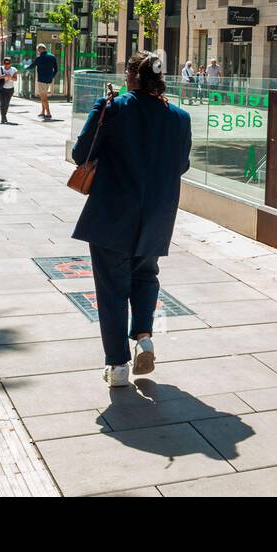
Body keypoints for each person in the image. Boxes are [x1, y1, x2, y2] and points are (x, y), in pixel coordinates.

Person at [72, 52, 191, 387]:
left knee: (111, 290)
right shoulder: (180, 117)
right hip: (156, 215)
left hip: (112, 214)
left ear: (130, 76)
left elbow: (81, 155)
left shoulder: (112, 107)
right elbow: (181, 166)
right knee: (145, 275)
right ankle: (144, 337)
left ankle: (118, 366)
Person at [27, 44, 59, 120]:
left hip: (41, 80)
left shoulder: (39, 58)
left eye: (38, 50)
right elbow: (56, 69)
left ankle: (48, 113)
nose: (38, 51)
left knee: (44, 97)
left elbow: (32, 66)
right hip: (49, 80)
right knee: (42, 96)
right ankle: (43, 112)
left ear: (41, 49)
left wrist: (25, 69)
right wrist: (52, 76)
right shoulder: (52, 57)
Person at [0, 57, 18, 123]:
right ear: (3, 63)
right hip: (1, 88)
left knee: (6, 103)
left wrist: (10, 77)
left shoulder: (14, 70)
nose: (7, 65)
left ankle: (4, 116)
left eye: (8, 63)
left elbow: (15, 79)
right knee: (2, 103)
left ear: (11, 63)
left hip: (10, 89)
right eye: (5, 63)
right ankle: (3, 117)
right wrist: (2, 77)